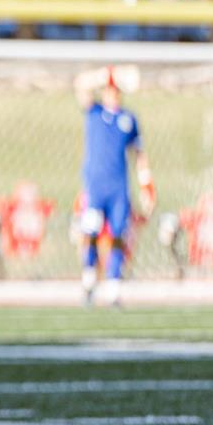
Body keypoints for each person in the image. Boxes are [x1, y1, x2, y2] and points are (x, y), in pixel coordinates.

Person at [72, 66, 154, 307]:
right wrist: (106, 73)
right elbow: (80, 85)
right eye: (109, 89)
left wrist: (146, 183)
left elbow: (139, 154)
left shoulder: (128, 119)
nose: (112, 94)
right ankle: (89, 280)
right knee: (91, 232)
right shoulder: (94, 112)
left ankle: (114, 286)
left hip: (119, 188)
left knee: (119, 235)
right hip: (96, 187)